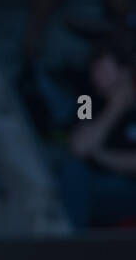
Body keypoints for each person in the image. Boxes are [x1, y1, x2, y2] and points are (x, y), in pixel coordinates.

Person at [56, 33, 136, 228]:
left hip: (129, 188)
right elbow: (79, 148)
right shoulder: (87, 100)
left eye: (102, 68)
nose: (95, 74)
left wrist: (100, 155)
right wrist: (114, 109)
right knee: (72, 172)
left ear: (124, 71)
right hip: (94, 183)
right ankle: (69, 246)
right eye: (93, 67)